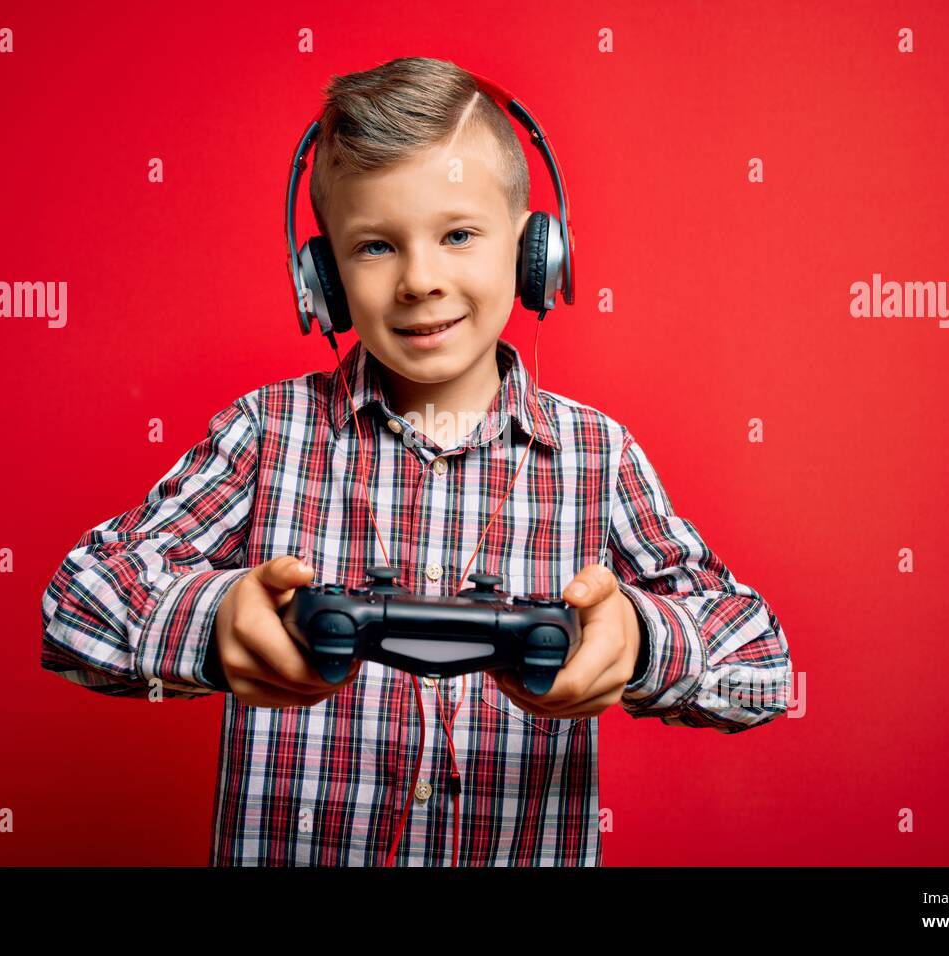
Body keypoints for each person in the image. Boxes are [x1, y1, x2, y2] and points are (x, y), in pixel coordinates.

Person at [40, 56, 791, 866]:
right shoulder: (268, 432)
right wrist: (213, 618)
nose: (421, 281)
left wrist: (643, 641)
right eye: (373, 247)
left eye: (460, 234)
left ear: (537, 252)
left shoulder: (597, 456)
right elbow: (74, 608)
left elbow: (762, 666)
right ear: (321, 279)